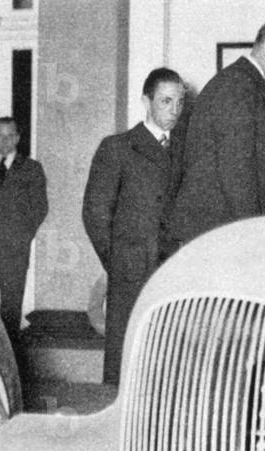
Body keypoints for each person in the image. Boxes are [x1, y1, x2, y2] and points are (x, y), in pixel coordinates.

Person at [162, 15, 265, 257]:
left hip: (228, 236)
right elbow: (238, 176)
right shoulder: (237, 87)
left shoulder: (248, 85)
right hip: (222, 241)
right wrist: (258, 245)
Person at [82, 68, 185, 385]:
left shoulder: (185, 152)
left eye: (179, 102)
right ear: (146, 101)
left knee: (168, 364)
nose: (174, 110)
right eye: (166, 101)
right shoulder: (118, 147)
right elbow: (95, 213)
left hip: (172, 273)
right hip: (131, 274)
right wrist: (119, 262)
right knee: (127, 366)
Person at [0, 117, 47, 340]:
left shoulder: (31, 169)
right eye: (0, 136)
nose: (5, 141)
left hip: (14, 251)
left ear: (18, 138)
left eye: (10, 135)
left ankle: (10, 354)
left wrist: (21, 237)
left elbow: (40, 208)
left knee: (11, 308)